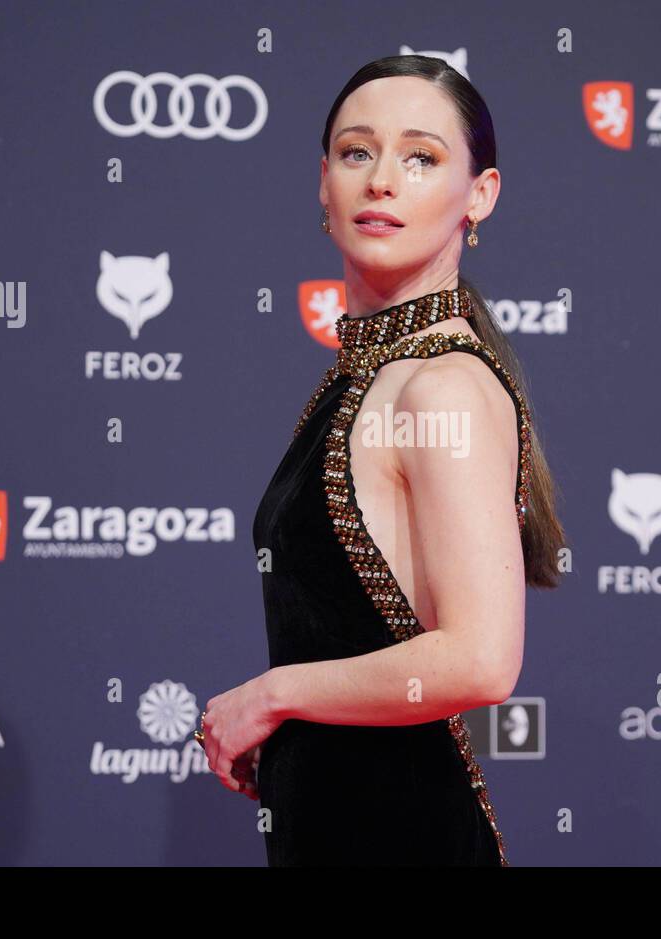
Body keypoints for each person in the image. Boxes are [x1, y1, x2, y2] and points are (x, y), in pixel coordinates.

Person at [196, 54, 565, 866]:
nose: (381, 181)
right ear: (322, 186)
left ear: (480, 197)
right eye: (357, 152)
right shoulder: (365, 375)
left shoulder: (441, 387)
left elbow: (480, 658)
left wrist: (273, 696)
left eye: (422, 157)